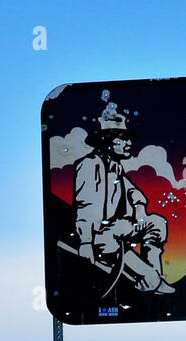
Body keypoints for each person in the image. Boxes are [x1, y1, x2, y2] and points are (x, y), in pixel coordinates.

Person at [73, 101, 174, 294]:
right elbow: (84, 206)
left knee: (157, 222)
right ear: (108, 140)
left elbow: (133, 191)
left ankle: (154, 276)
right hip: (100, 235)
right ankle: (150, 280)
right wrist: (85, 243)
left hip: (119, 227)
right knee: (114, 235)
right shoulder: (89, 165)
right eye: (123, 139)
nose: (129, 143)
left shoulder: (116, 167)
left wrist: (139, 208)